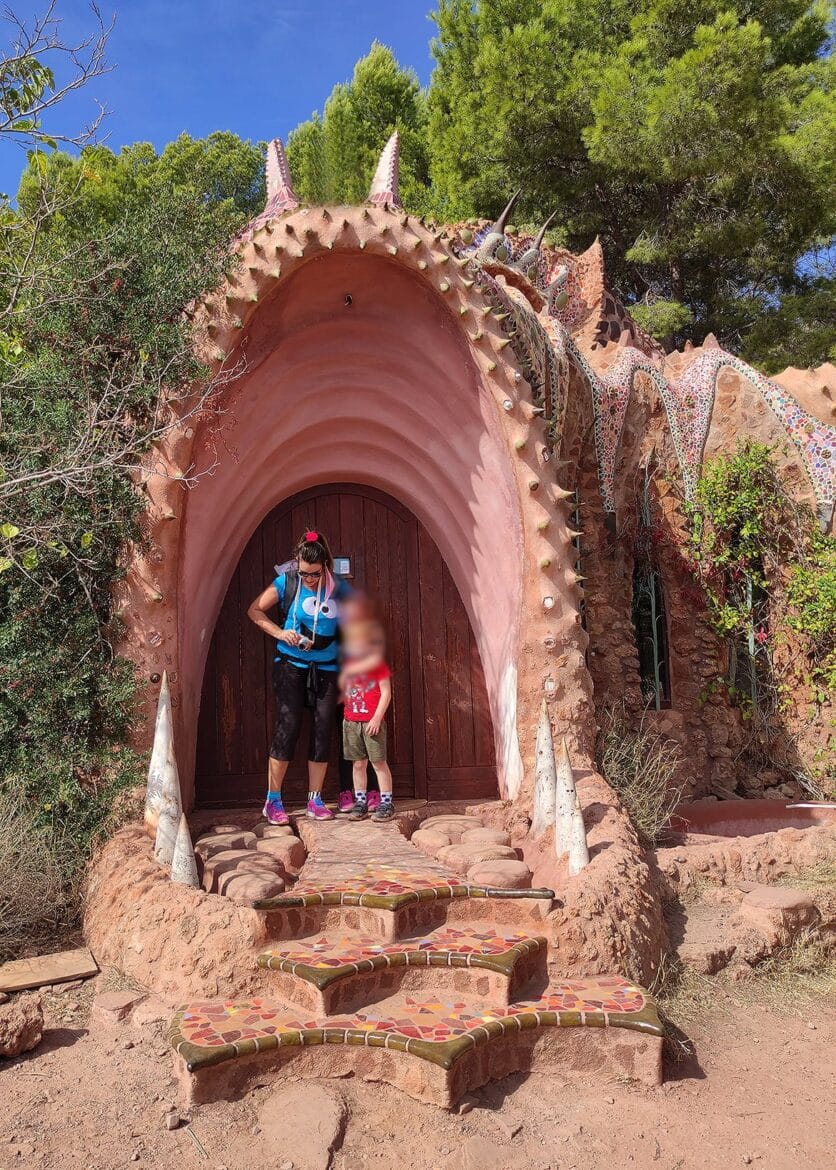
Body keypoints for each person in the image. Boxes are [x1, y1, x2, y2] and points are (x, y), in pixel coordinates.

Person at [247, 530, 349, 823]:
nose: (308, 579)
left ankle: (315, 800)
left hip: (327, 669)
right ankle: (273, 800)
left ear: (325, 565)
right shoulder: (287, 582)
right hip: (290, 664)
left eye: (314, 574)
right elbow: (254, 610)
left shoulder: (338, 589)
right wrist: (280, 632)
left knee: (321, 731)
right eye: (303, 573)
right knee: (288, 726)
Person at [340, 614, 395, 822]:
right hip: (351, 721)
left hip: (372, 723)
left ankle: (387, 801)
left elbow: (386, 693)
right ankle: (360, 801)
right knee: (358, 764)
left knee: (378, 762)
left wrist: (376, 718)